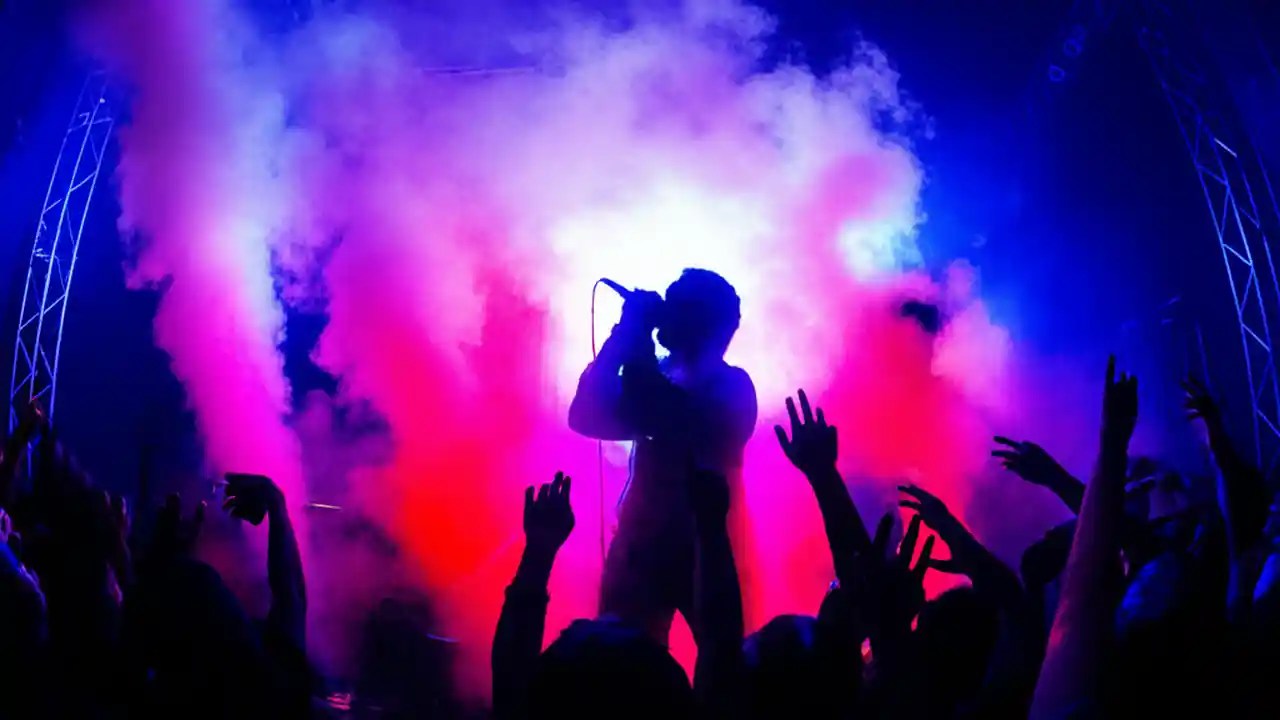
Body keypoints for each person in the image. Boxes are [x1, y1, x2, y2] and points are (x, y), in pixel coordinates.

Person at [568, 268, 757, 645]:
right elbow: (585, 415)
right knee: (621, 660)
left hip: (704, 546)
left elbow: (664, 413)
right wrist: (621, 337)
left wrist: (638, 335)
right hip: (640, 545)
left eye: (676, 303)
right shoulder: (662, 374)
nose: (664, 309)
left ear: (701, 321)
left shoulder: (732, 387)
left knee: (722, 659)